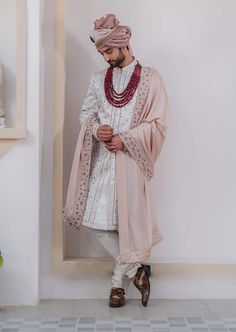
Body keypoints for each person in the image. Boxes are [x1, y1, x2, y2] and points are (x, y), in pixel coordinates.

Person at [63, 13, 169, 308]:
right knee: (97, 224)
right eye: (101, 53)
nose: (105, 57)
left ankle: (116, 286)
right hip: (102, 166)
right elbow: (86, 114)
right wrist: (97, 129)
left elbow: (158, 123)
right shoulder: (98, 80)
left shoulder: (151, 79)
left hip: (131, 164)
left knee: (128, 225)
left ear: (124, 44)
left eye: (109, 51)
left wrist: (127, 138)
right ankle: (138, 271)